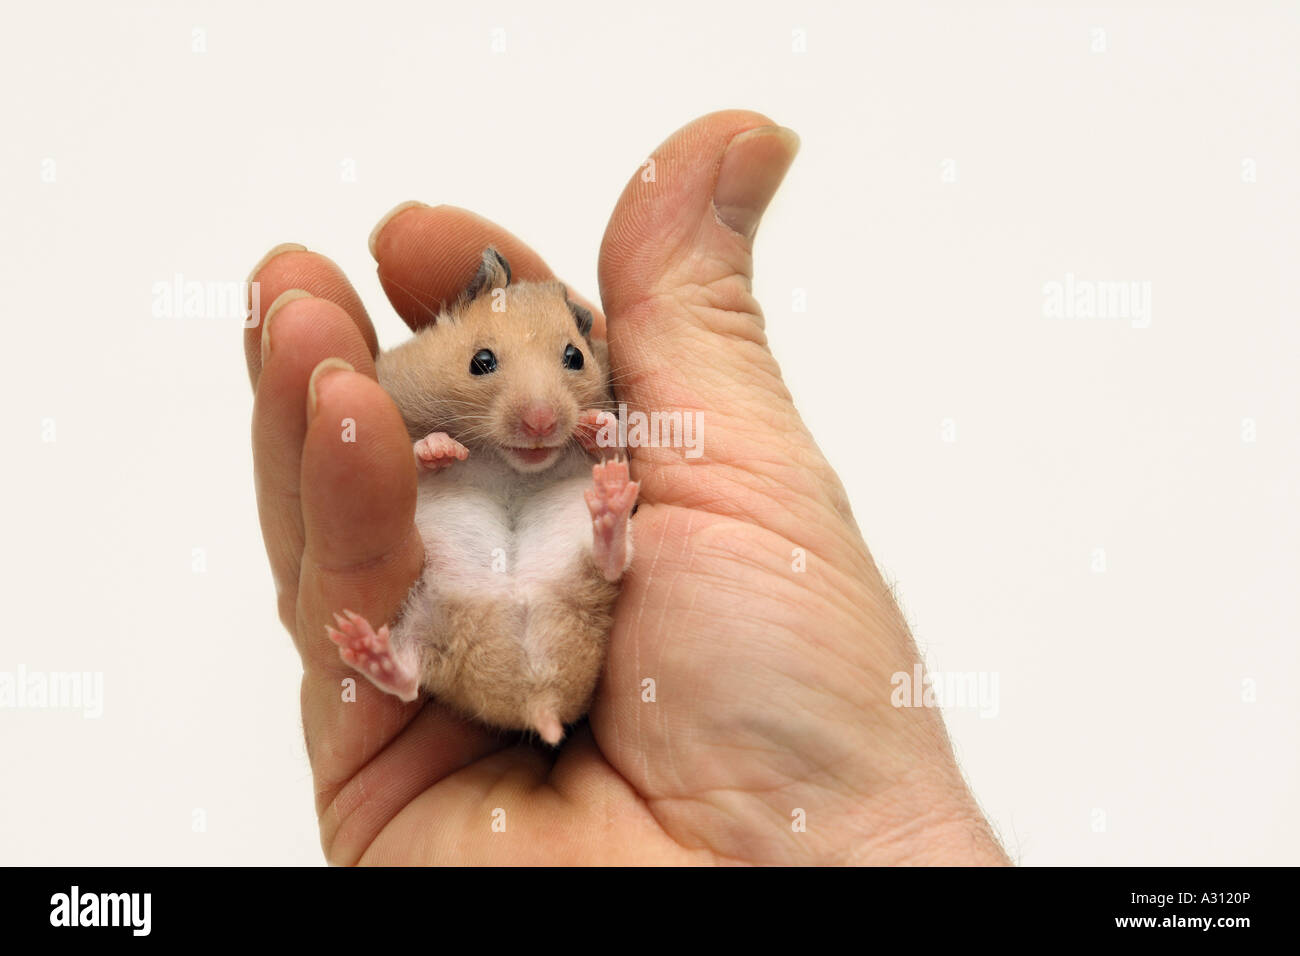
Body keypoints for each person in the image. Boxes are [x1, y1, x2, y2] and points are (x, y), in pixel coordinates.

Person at [243, 109, 1008, 865]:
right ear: (447, 339)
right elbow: (394, 417)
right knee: (426, 543)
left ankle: (590, 549)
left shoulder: (608, 424)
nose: (543, 411)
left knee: (574, 522)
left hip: (557, 621)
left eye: (573, 363)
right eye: (485, 366)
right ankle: (407, 659)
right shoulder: (421, 395)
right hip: (479, 623)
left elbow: (606, 433)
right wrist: (423, 450)